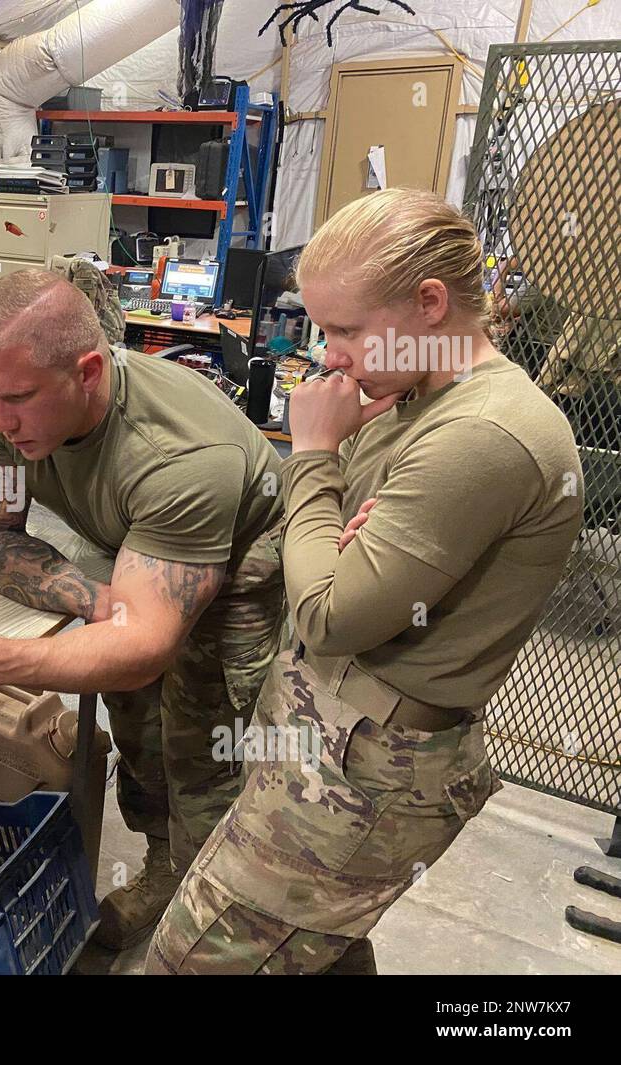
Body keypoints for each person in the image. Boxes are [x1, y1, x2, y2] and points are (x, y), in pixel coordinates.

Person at [148, 188, 583, 974]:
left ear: (429, 303)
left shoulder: (483, 432)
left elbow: (326, 611)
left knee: (191, 960)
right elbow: (325, 554)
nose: (331, 354)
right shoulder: (413, 396)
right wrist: (336, 529)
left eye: (347, 329)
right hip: (328, 726)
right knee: (313, 949)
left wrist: (311, 453)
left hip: (366, 765)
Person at [0, 269, 286, 949]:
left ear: (88, 371)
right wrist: (96, 598)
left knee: (209, 744)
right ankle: (164, 864)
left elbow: (148, 641)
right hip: (133, 541)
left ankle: (211, 911)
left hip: (239, 558)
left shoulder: (182, 456)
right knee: (137, 715)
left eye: (19, 399)